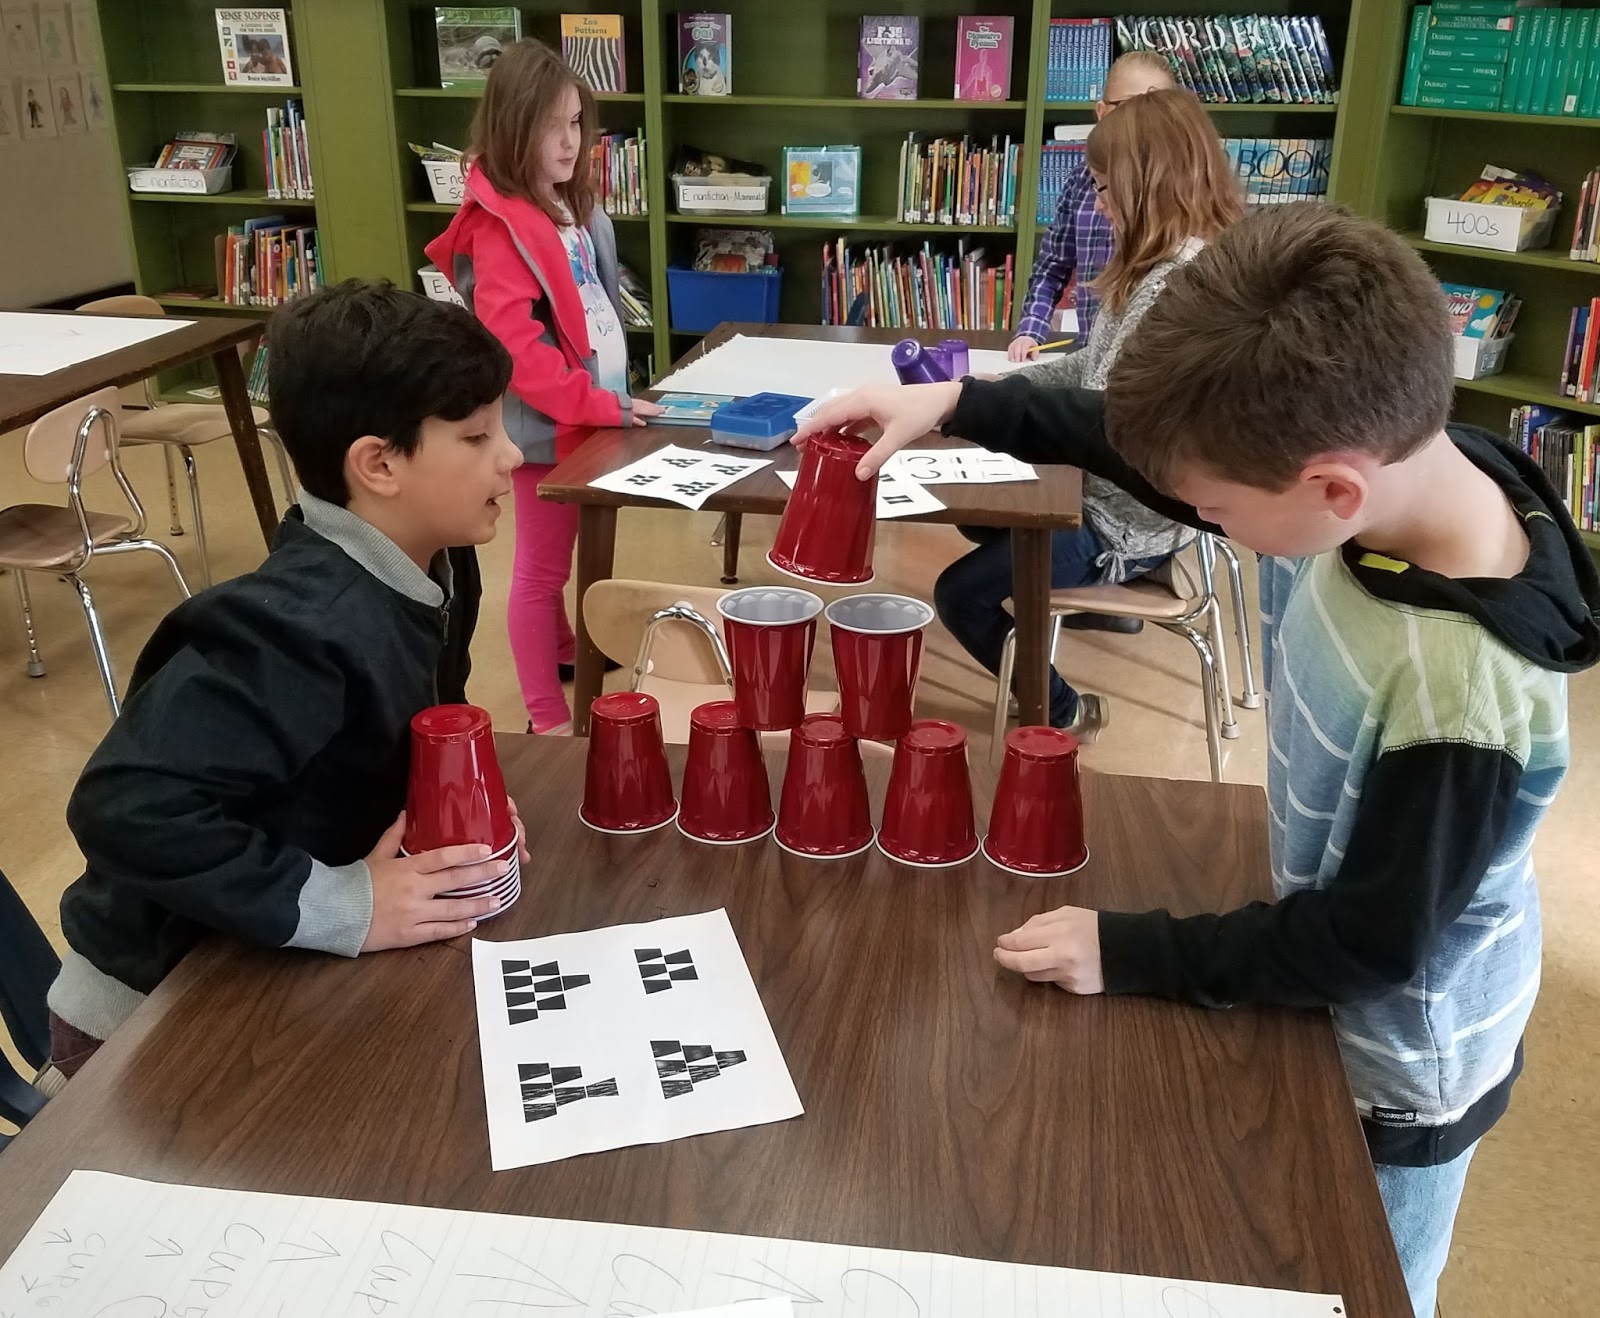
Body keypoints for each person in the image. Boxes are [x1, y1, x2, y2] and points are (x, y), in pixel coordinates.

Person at [794, 203, 1600, 1317]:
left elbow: (1366, 943)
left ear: (1331, 490)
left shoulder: (1460, 696)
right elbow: (1154, 453)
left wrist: (1127, 948)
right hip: (1335, 945)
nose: (1195, 513)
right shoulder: (1409, 468)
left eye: (1213, 508)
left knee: (1361, 1283)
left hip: (1398, 1070)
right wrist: (957, 400)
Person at [45, 282, 528, 1080]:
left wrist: (456, 811)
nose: (510, 456)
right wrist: (349, 903)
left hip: (267, 964)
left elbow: (400, 725)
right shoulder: (293, 631)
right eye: (477, 436)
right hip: (154, 1016)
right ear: (378, 464)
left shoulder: (438, 556)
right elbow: (126, 808)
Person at [938, 87, 1242, 739]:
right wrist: (1000, 384)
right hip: (1106, 501)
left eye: (1105, 188)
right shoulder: (1153, 264)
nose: (1098, 205)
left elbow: (1098, 414)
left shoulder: (1175, 285)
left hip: (1121, 524)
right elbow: (1085, 368)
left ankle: (1064, 711)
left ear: (1147, 182)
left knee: (958, 594)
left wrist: (991, 404)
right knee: (974, 514)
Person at [427, 39, 662, 737]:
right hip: (545, 431)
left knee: (568, 550)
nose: (571, 142)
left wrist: (614, 396)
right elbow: (522, 357)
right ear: (512, 127)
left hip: (587, 416)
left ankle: (565, 649)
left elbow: (591, 308)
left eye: (577, 124)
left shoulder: (569, 206)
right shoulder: (503, 229)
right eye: (552, 126)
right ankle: (545, 717)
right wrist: (601, 404)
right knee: (539, 571)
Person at [1009, 50, 1176, 361]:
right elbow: (1052, 266)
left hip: (1152, 369)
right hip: (1090, 356)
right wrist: (1031, 330)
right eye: (1128, 107)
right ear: (1102, 112)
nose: (1140, 122)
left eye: (1156, 109)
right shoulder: (1080, 181)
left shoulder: (1183, 193)